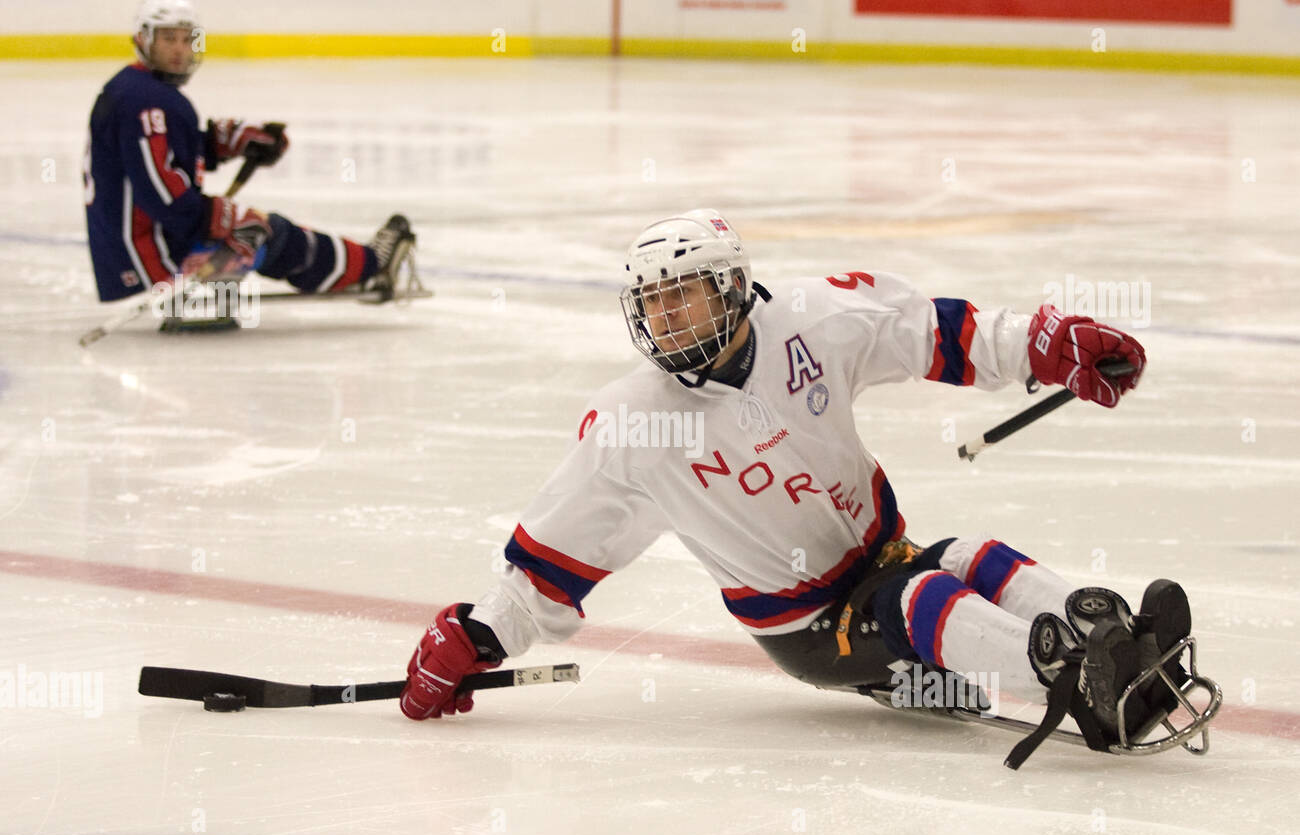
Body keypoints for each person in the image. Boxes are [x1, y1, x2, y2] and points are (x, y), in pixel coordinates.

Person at [399, 208, 1216, 766]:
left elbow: (934, 332)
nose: (666, 318)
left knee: (971, 554)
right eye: (651, 302)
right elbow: (551, 560)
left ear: (729, 288)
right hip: (812, 629)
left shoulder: (814, 320)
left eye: (681, 295)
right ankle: (1073, 681)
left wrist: (1042, 345)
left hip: (885, 554)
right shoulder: (633, 426)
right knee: (919, 599)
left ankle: (1117, 642)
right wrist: (475, 639)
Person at [83, 0, 414, 330]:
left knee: (255, 227)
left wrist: (224, 141)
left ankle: (347, 270)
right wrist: (222, 219)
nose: (180, 50)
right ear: (143, 39)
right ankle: (370, 266)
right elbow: (161, 191)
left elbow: (168, 156)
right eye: (168, 39)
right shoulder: (146, 102)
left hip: (134, 246)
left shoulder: (135, 89)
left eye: (187, 39)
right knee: (271, 232)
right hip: (153, 252)